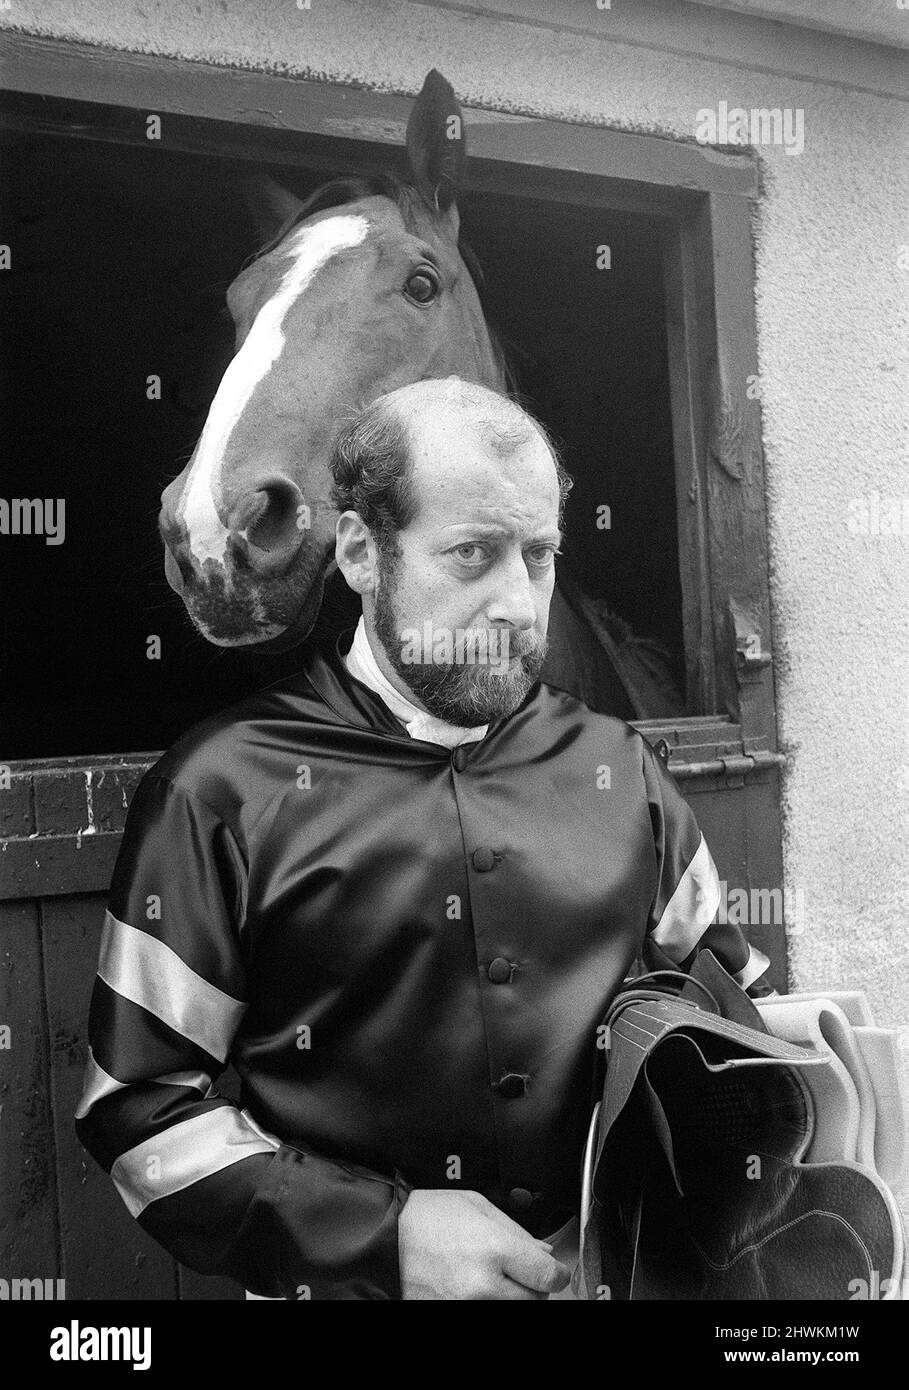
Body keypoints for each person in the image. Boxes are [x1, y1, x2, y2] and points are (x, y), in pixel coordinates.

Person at [75, 377, 767, 1300]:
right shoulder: (218, 790)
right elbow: (137, 1113)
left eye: (540, 554)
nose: (519, 605)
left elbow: (736, 1017)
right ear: (360, 553)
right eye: (473, 554)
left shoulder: (620, 768)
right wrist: (383, 1235)